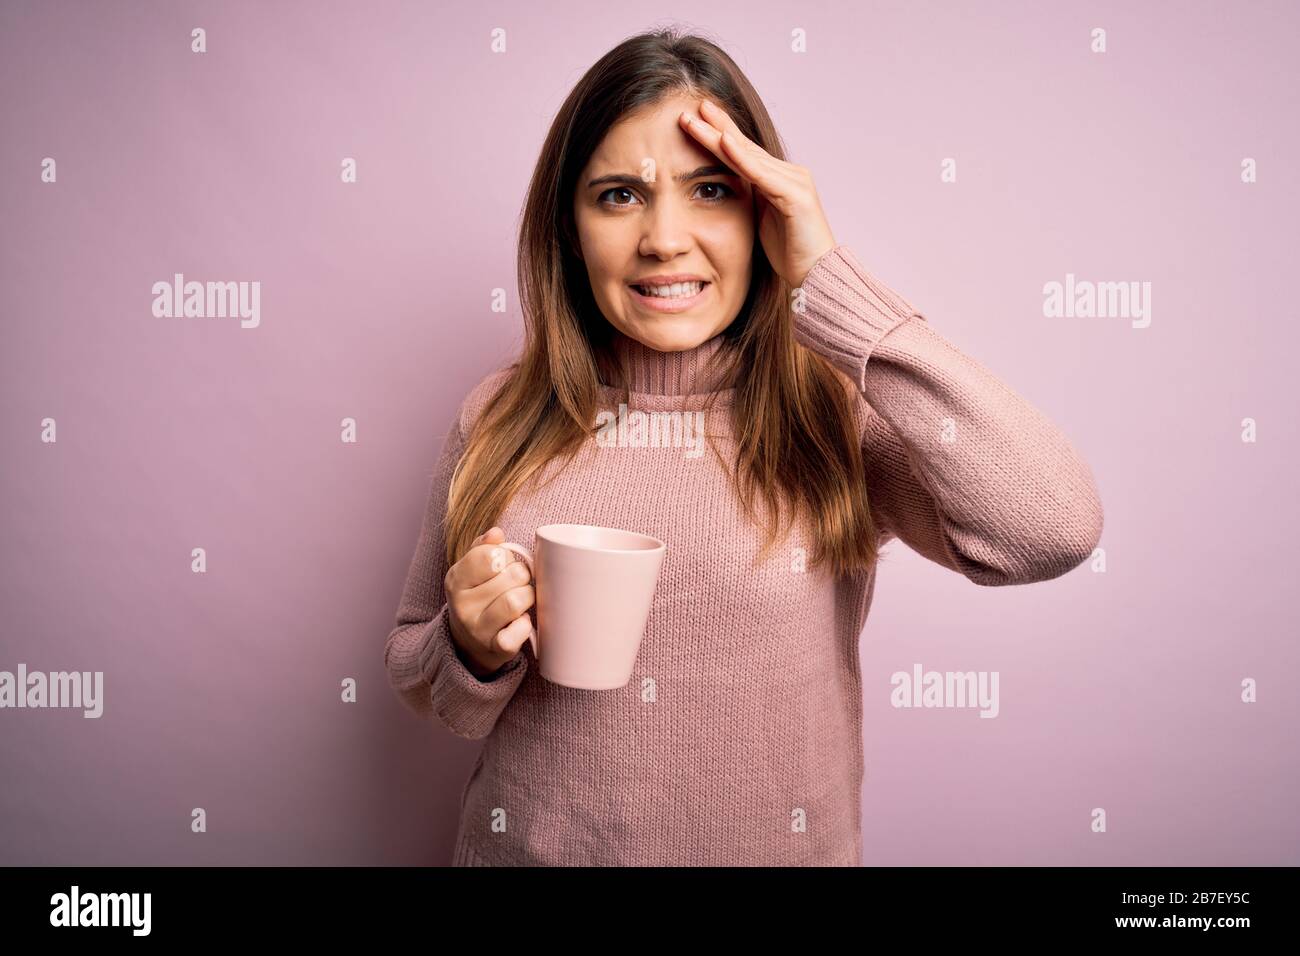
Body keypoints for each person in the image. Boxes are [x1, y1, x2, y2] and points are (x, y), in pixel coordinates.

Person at [384, 28, 1104, 866]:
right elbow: (412, 667)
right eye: (618, 195)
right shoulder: (501, 418)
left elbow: (1053, 527)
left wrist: (829, 282)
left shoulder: (827, 417)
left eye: (712, 190)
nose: (663, 238)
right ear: (568, 228)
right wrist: (466, 647)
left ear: (767, 211)